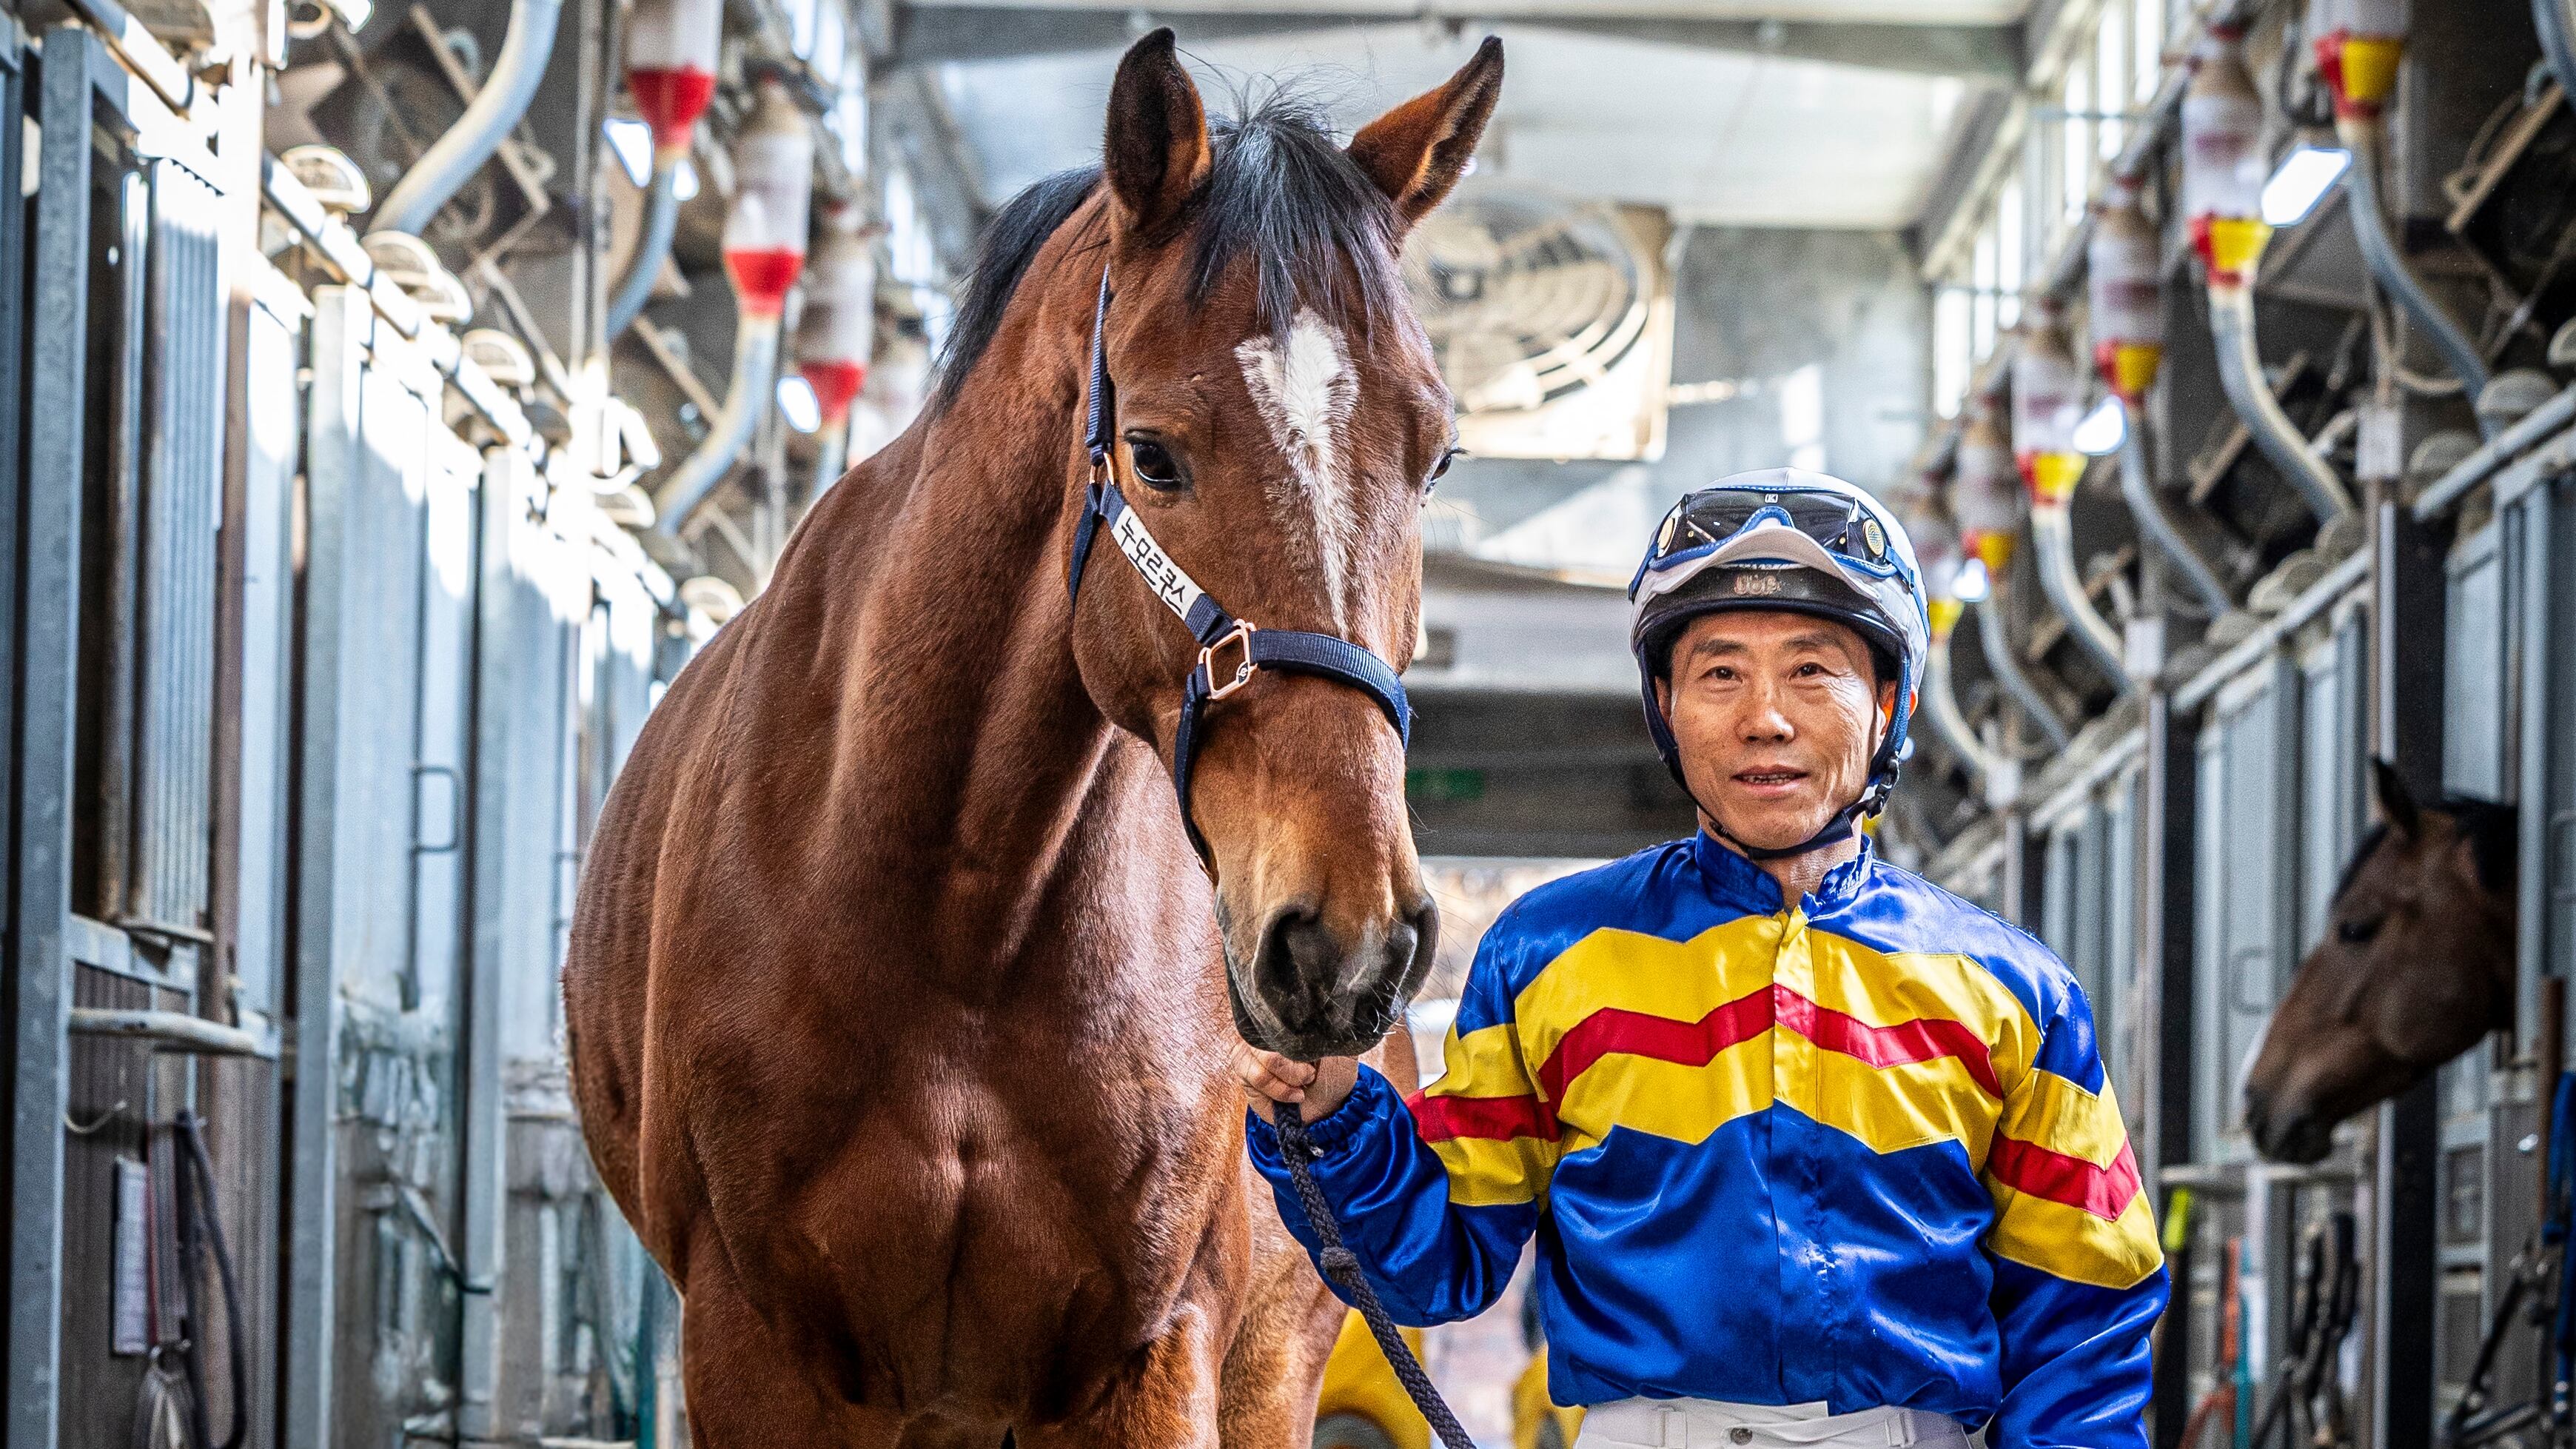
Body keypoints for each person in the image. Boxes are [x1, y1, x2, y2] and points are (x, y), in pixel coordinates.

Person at [1233, 469, 2167, 1449]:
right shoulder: (1552, 955)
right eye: (1720, 671)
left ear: (1890, 701)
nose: (1765, 715)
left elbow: (2088, 1318)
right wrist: (1334, 1114)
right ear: (1666, 704)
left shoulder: (2015, 991)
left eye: (1813, 669)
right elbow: (1438, 1262)